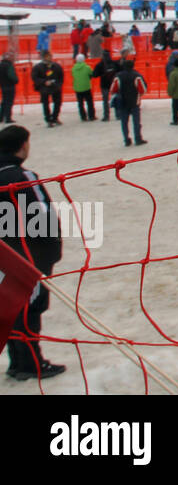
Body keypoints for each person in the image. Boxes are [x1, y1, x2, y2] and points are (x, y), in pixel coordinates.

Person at [0, 125, 66, 380]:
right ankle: (30, 363)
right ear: (22, 146)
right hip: (28, 254)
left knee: (10, 305)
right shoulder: (22, 176)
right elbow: (44, 214)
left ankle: (17, 361)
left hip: (5, 255)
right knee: (30, 307)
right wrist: (51, 251)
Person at [110, 57, 148, 148]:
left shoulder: (118, 76)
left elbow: (113, 89)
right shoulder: (137, 76)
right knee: (136, 122)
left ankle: (126, 140)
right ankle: (138, 139)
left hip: (122, 102)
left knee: (124, 122)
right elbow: (143, 89)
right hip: (134, 102)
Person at [30, 51, 64, 128]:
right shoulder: (38, 67)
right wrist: (44, 82)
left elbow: (61, 77)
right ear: (44, 57)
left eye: (50, 56)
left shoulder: (56, 66)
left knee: (58, 103)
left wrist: (58, 84)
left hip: (55, 88)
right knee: (45, 104)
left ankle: (55, 117)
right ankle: (48, 119)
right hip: (44, 88)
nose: (50, 57)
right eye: (48, 56)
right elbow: (34, 78)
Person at [92, 49, 120, 123]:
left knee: (105, 101)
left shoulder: (100, 64)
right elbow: (120, 70)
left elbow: (94, 75)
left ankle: (106, 116)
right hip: (114, 84)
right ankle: (118, 114)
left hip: (104, 85)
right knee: (116, 99)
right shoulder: (114, 63)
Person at [70, 54, 95, 122]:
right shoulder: (87, 67)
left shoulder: (73, 68)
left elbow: (73, 75)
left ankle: (83, 117)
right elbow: (92, 74)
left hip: (77, 88)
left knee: (80, 103)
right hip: (86, 87)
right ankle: (91, 116)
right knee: (89, 102)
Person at [0, 51, 17, 124]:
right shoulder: (9, 65)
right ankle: (8, 117)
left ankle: (1, 117)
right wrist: (16, 80)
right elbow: (11, 76)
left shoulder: (1, 65)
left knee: (4, 101)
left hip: (3, 86)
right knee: (9, 102)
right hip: (10, 86)